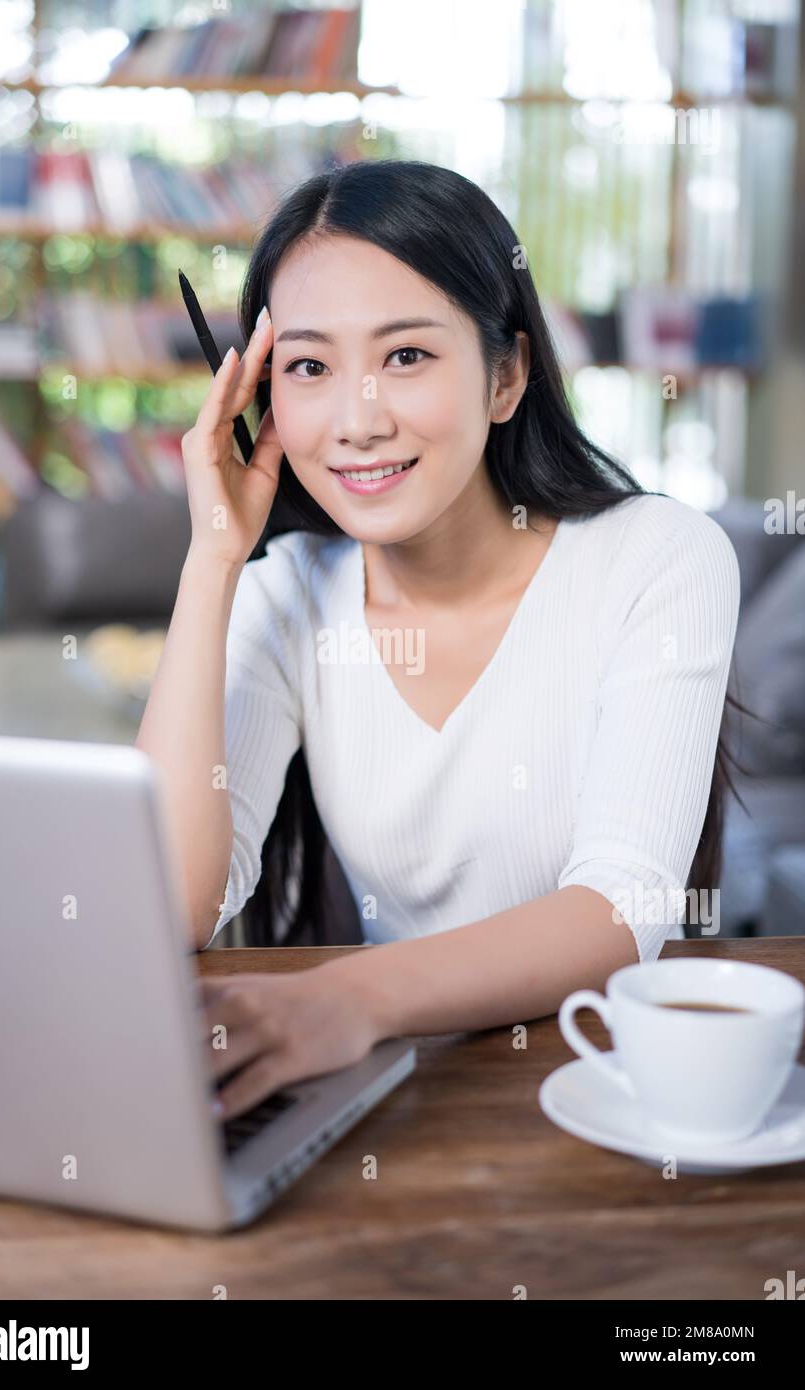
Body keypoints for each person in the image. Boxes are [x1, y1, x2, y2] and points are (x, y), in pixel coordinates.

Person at [136, 160, 741, 1119]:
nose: (357, 419)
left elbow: (623, 905)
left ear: (504, 375)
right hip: (401, 1098)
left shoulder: (657, 559)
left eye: (406, 356)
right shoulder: (285, 598)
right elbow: (164, 909)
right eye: (308, 367)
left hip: (611, 1090)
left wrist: (347, 998)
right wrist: (211, 564)